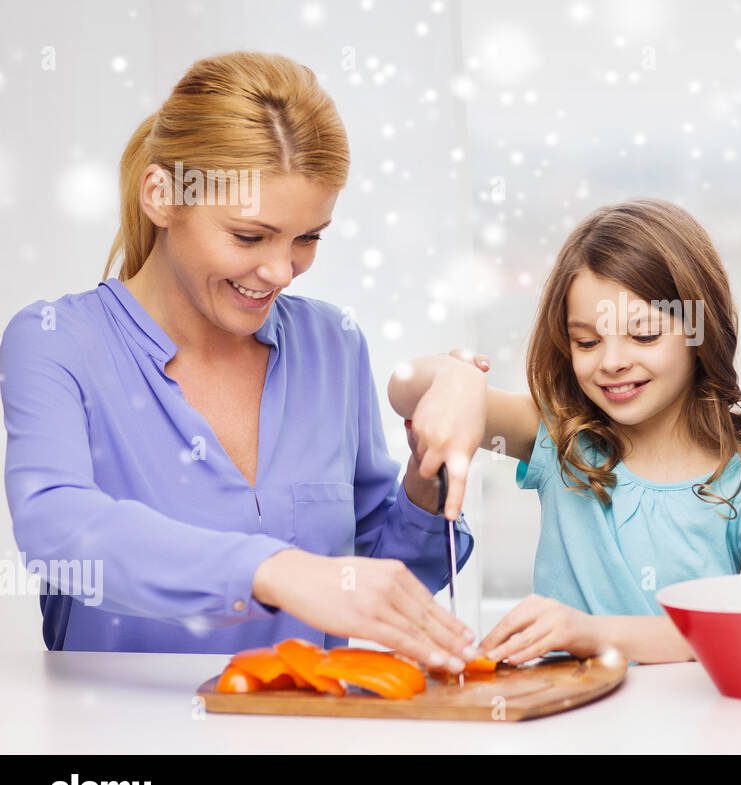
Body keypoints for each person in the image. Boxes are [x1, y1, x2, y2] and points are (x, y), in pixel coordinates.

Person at [0, 51, 476, 671]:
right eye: (249, 236)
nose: (280, 271)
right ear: (162, 196)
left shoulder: (333, 343)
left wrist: (426, 478)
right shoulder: (57, 340)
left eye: (307, 238)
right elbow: (57, 526)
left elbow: (370, 575)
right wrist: (271, 570)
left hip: (306, 730)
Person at [389, 199, 741, 664]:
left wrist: (588, 633)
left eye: (644, 335)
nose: (611, 362)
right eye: (587, 341)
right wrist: (455, 378)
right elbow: (406, 388)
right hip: (568, 730)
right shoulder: (559, 437)